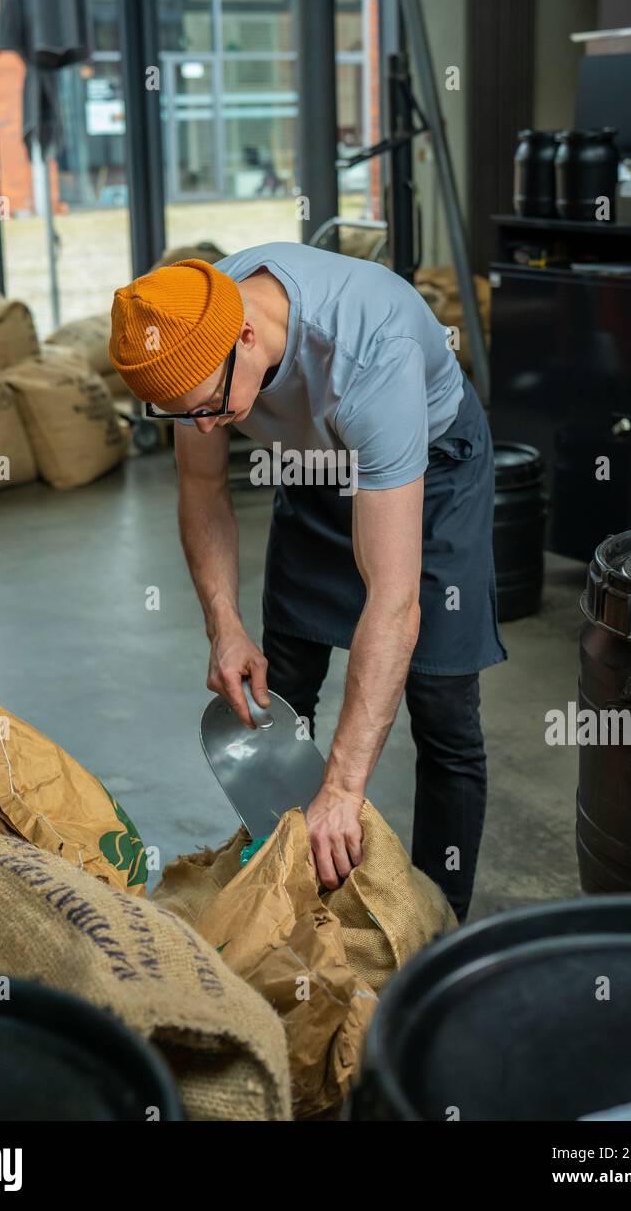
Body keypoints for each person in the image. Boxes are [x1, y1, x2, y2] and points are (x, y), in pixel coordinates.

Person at [108, 244, 506, 921]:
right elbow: (203, 487)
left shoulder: (371, 352)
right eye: (183, 415)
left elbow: (394, 602)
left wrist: (346, 789)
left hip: (428, 469)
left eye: (208, 407)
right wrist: (223, 627)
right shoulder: (193, 339)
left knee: (441, 703)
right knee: (279, 686)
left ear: (247, 335)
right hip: (314, 459)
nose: (205, 427)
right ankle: (289, 888)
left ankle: (442, 924)